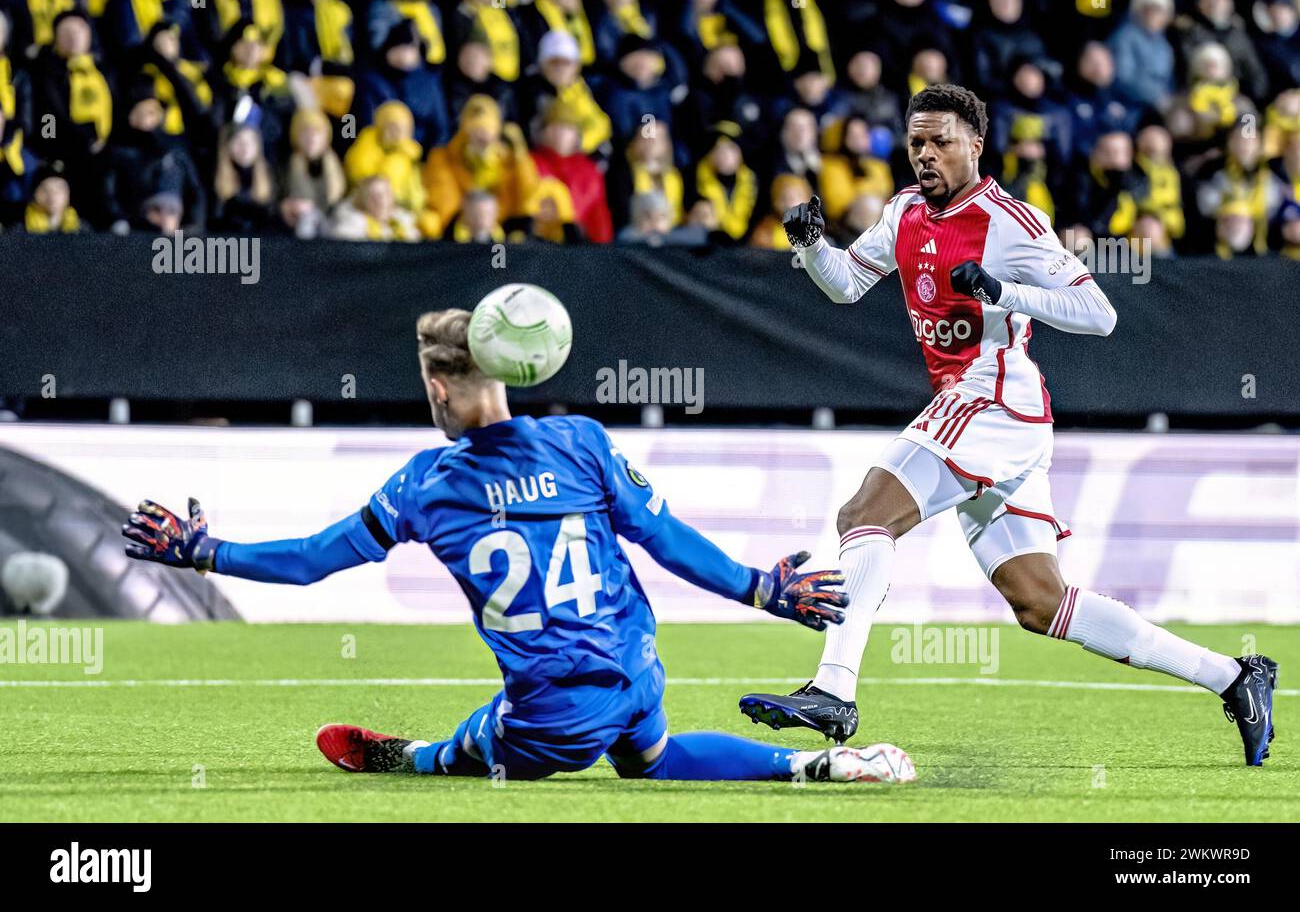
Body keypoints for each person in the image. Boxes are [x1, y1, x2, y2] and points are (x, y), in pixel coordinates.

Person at [118, 310, 913, 785]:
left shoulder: (425, 484)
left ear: (437, 389)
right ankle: (825, 766)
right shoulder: (581, 441)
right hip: (638, 667)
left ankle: (418, 757)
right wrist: (762, 590)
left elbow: (312, 560)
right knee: (654, 759)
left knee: (472, 751)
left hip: (553, 715)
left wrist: (206, 551)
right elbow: (665, 540)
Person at [741, 83, 1279, 768]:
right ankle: (1235, 678)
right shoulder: (904, 210)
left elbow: (1098, 312)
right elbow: (846, 284)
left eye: (940, 141)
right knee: (1041, 601)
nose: (925, 154)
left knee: (863, 513)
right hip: (992, 420)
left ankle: (833, 689)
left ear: (976, 144)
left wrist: (1003, 292)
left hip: (993, 400)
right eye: (915, 142)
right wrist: (813, 246)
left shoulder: (1011, 223)